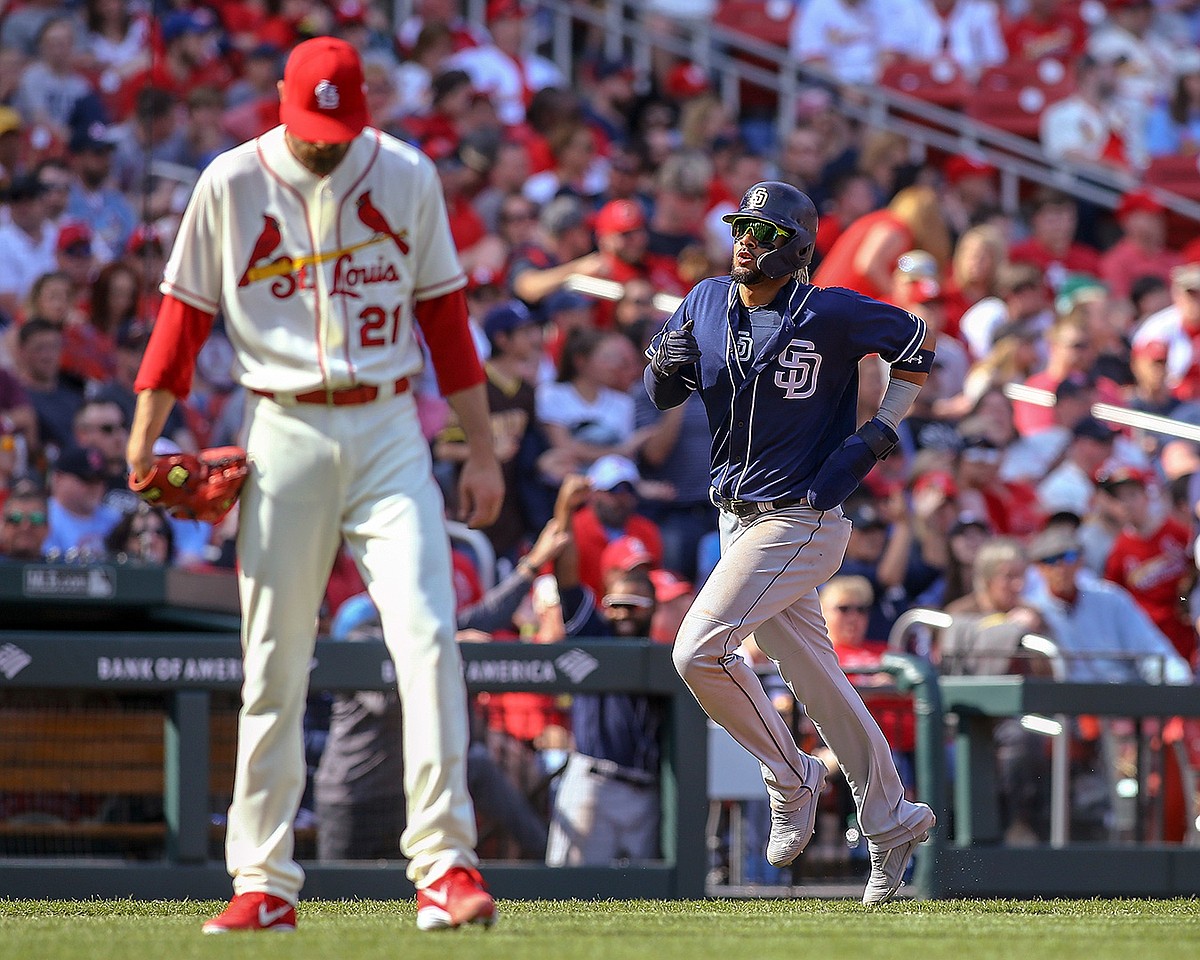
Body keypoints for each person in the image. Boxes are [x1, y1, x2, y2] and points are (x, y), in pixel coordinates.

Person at [123, 38, 502, 933]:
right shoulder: (229, 181)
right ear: (283, 108)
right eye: (311, 125)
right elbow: (183, 318)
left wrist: (480, 452)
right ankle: (262, 882)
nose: (325, 143)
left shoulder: (405, 174)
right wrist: (144, 436)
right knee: (273, 661)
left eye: (339, 126)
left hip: (387, 427)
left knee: (429, 634)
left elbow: (446, 324)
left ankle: (445, 868)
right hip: (282, 426)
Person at [644, 181, 936, 905]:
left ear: (799, 248)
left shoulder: (830, 310)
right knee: (816, 678)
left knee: (697, 650)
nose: (748, 239)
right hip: (734, 517)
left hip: (802, 513)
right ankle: (891, 815)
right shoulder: (708, 299)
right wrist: (661, 365)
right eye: (743, 225)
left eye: (767, 232)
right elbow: (663, 393)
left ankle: (791, 773)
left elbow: (917, 342)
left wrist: (883, 426)